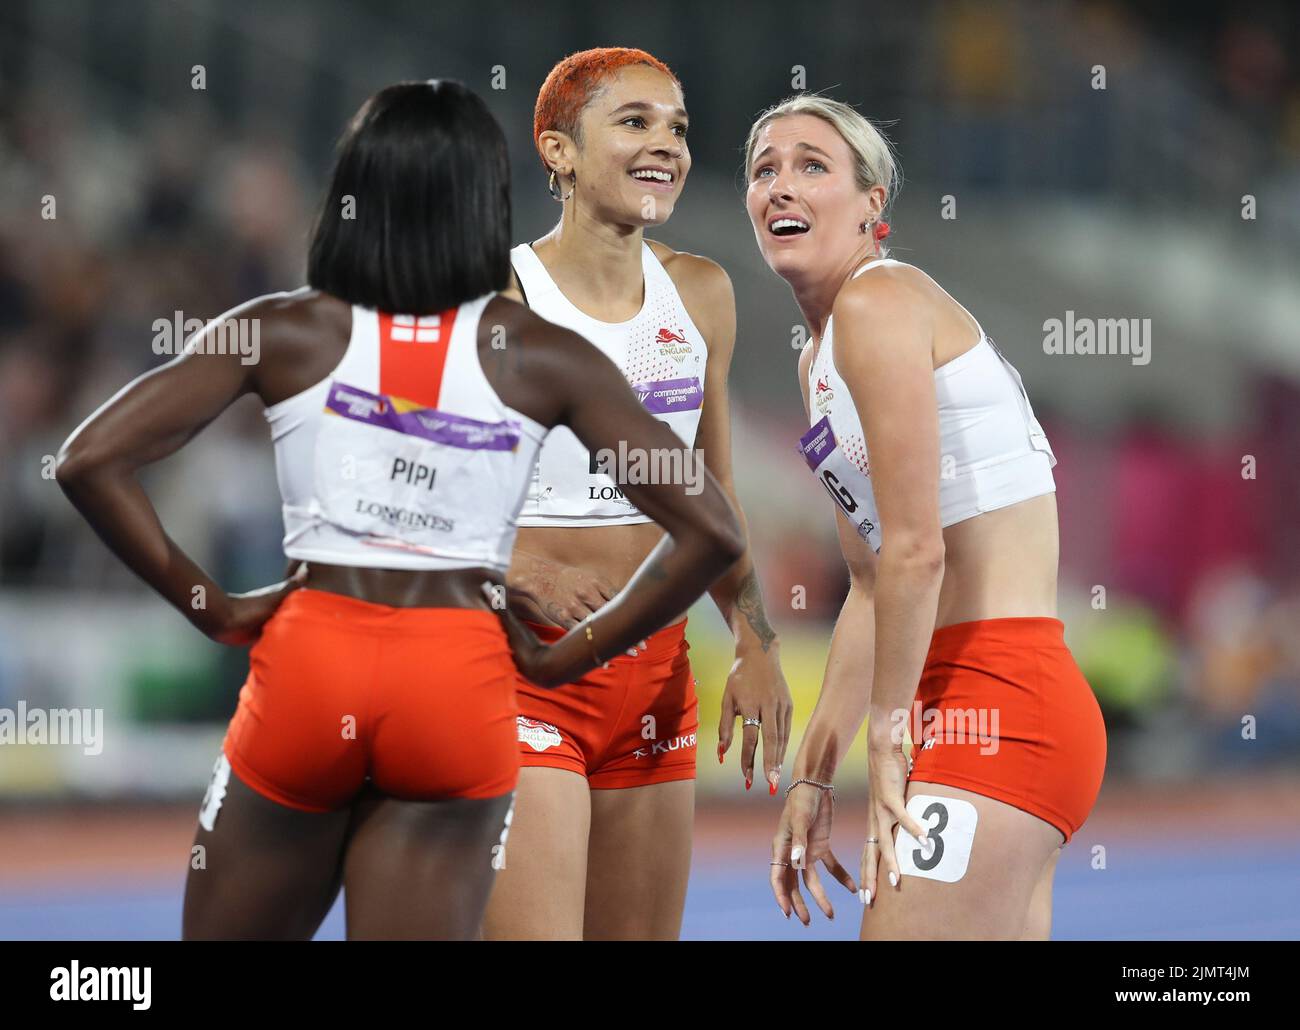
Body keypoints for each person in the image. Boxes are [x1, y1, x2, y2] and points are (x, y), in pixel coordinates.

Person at [54, 80, 743, 941]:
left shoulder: (285, 330)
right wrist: (572, 658)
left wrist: (216, 608)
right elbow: (713, 529)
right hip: (454, 686)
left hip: (314, 663)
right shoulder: (539, 353)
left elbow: (87, 460)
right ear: (488, 205)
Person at [743, 94, 1106, 939]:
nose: (781, 187)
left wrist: (886, 735)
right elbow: (870, 585)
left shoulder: (881, 304)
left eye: (811, 166)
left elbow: (916, 554)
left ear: (874, 205)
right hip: (969, 704)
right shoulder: (818, 364)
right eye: (764, 171)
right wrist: (812, 775)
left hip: (1000, 700)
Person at [482, 47, 792, 941]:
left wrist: (753, 638)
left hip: (656, 682)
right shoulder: (497, 292)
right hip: (521, 673)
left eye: (679, 128)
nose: (667, 144)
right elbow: (398, 486)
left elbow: (715, 488)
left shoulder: (702, 295)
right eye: (635, 121)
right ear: (560, 151)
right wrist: (520, 563)